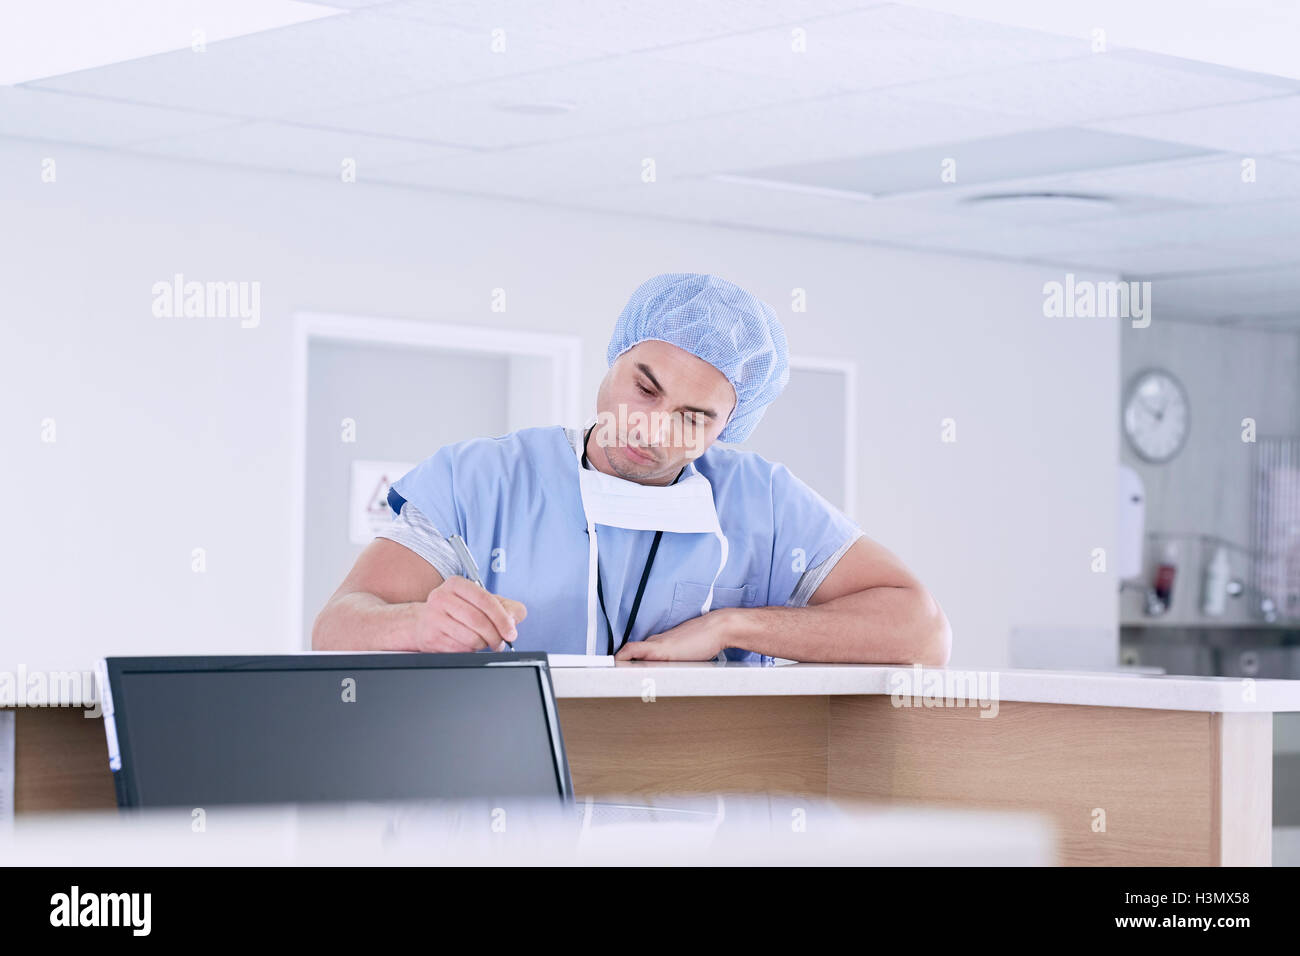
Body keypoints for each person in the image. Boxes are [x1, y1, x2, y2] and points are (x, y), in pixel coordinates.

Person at [313, 273, 950, 664]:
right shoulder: (482, 479)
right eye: (644, 389)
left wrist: (731, 625)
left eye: (694, 418)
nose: (653, 427)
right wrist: (415, 625)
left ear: (729, 427)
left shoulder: (765, 503)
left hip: (698, 812)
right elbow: (336, 626)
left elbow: (922, 633)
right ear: (614, 357)